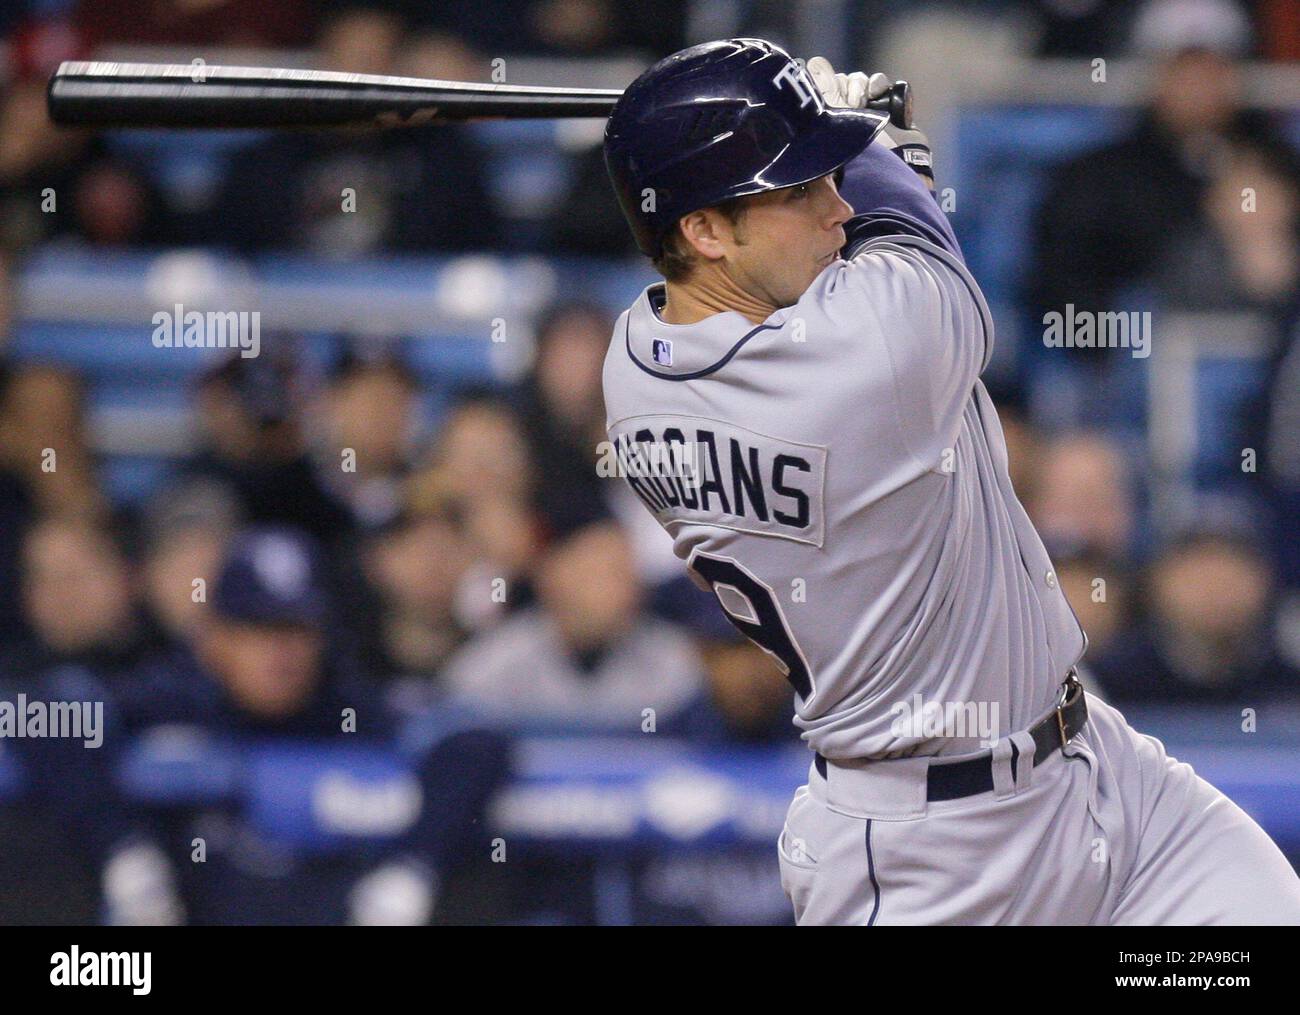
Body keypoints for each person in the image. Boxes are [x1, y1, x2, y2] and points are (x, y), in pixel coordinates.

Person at [599, 38, 1300, 925]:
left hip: (1108, 785)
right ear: (702, 230)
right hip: (932, 860)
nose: (834, 205)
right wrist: (878, 138)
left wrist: (797, 128)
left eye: (826, 178)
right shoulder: (868, 356)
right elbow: (904, 218)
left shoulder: (634, 369)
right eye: (800, 189)